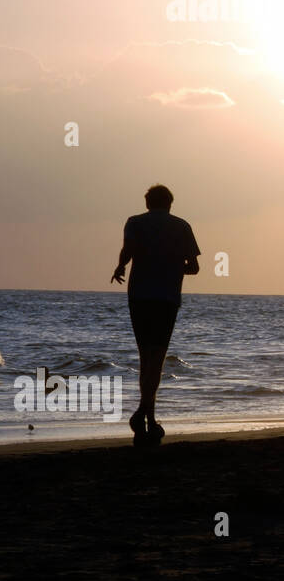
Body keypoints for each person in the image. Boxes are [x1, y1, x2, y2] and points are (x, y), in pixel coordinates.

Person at [110, 184, 199, 447]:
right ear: (170, 203)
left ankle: (145, 417)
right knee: (156, 358)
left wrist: (120, 266)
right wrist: (170, 267)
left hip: (138, 297)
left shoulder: (134, 222)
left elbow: (127, 252)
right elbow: (193, 267)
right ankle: (145, 415)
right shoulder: (182, 226)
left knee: (144, 356)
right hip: (166, 299)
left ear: (147, 203)